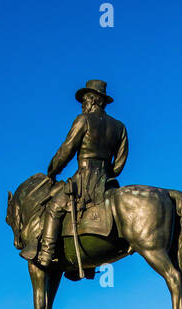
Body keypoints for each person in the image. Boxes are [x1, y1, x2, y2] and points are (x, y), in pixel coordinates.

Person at [22, 80, 128, 267]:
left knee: (54, 206)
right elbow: (120, 163)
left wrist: (53, 170)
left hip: (84, 179)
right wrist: (107, 172)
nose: (83, 105)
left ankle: (47, 254)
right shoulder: (119, 127)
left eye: (84, 101)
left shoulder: (83, 120)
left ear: (93, 100)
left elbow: (67, 149)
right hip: (107, 180)